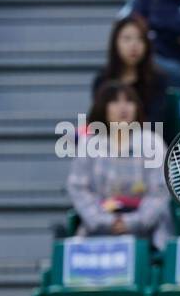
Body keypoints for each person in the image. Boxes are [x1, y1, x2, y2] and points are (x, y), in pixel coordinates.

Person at [67, 81, 173, 250]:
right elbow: (78, 188)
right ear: (103, 108)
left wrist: (132, 222)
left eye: (129, 101)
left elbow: (160, 190)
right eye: (115, 101)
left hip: (147, 233)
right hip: (97, 230)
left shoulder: (152, 142)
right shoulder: (88, 144)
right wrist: (106, 221)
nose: (123, 107)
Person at [93, 15, 169, 123]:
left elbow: (156, 121)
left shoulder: (158, 79)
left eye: (140, 39)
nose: (134, 45)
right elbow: (98, 119)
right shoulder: (102, 80)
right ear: (115, 43)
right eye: (127, 39)